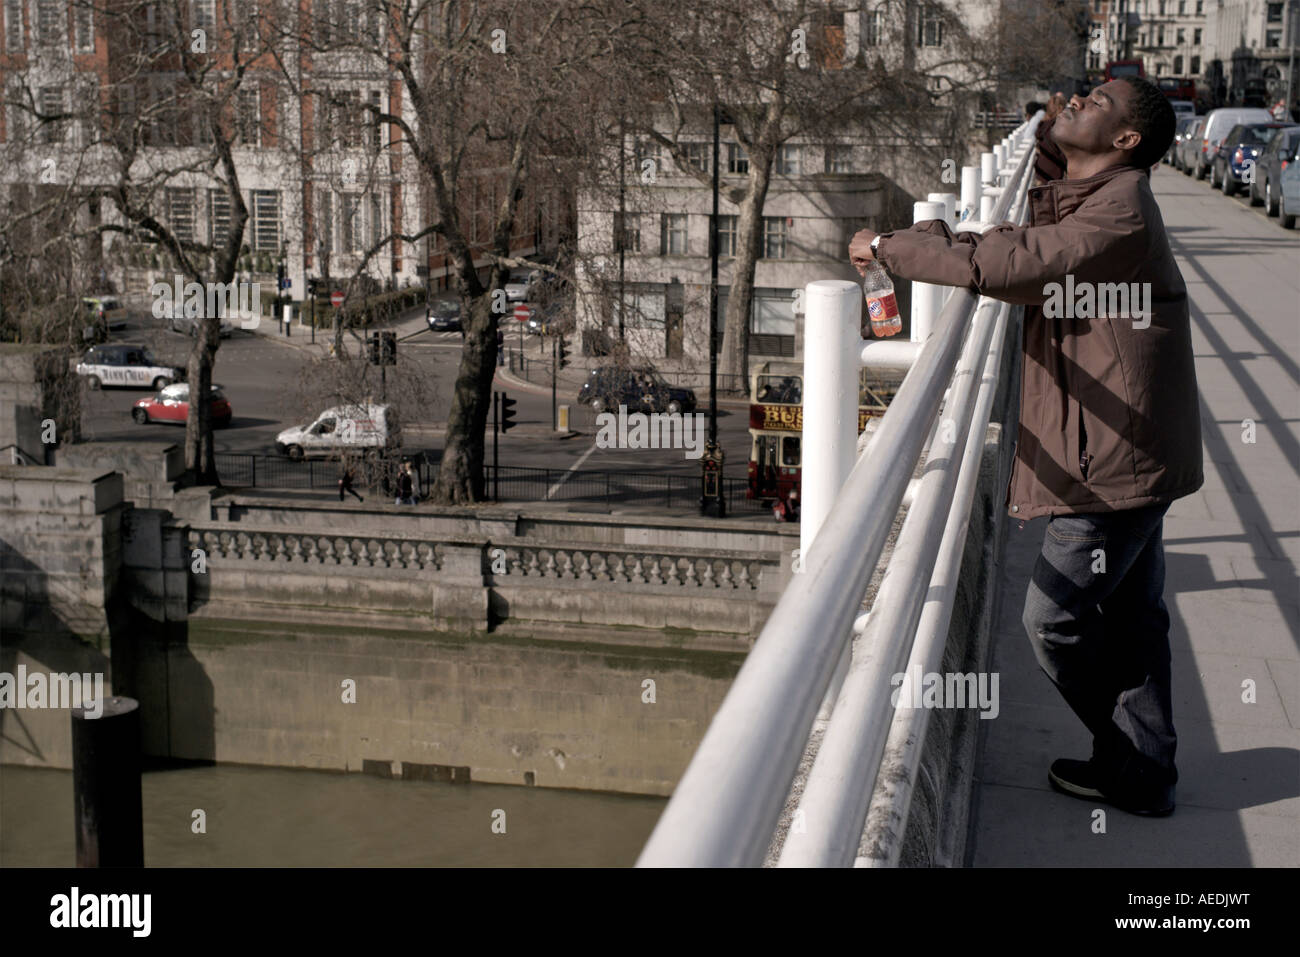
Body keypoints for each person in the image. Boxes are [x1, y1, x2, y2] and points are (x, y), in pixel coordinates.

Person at [848, 77, 1200, 818]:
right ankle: (1145, 769)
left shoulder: (1121, 212)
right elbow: (1022, 232)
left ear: (1126, 141)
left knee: (1055, 619)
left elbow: (1014, 265)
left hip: (1115, 462)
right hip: (1128, 447)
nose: (1076, 101)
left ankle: (1133, 757)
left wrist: (892, 247)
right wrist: (1050, 135)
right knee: (1136, 616)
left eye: (1096, 103)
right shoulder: (1092, 191)